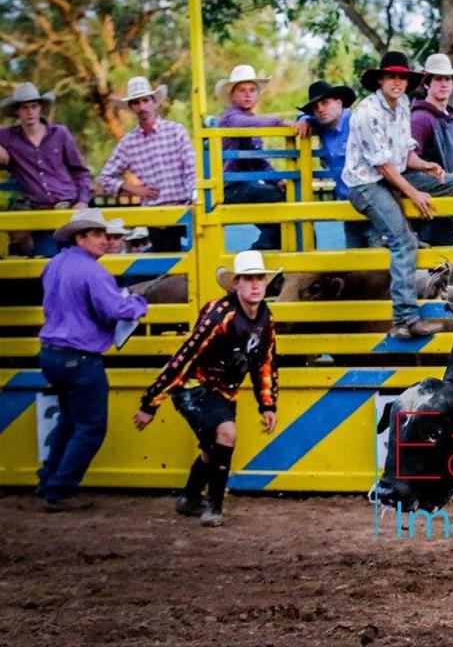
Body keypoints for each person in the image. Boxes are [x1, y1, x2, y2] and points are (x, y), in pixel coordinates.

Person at [133, 250, 280, 527]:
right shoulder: (219, 316)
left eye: (259, 278)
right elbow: (184, 357)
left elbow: (266, 362)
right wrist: (150, 402)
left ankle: (190, 498)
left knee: (214, 447)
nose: (255, 284)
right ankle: (214, 506)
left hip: (223, 391)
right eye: (248, 279)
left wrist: (268, 403)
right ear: (236, 283)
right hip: (194, 387)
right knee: (226, 433)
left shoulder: (265, 318)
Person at [36, 208, 148, 511]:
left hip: (51, 352)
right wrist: (137, 303)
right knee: (91, 427)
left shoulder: (55, 264)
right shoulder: (94, 272)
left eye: (105, 235)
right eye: (97, 234)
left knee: (69, 420)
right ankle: (58, 489)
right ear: (81, 237)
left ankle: (49, 481)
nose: (104, 241)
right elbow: (115, 311)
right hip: (80, 357)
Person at [342, 51, 444, 340]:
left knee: (447, 183)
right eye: (391, 76)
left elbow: (404, 154)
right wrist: (413, 193)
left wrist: (426, 166)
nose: (397, 82)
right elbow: (382, 165)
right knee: (402, 240)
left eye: (401, 77)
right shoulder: (367, 113)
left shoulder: (402, 106)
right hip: (367, 185)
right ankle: (405, 319)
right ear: (381, 80)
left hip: (391, 178)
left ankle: (435, 252)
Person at [97, 77, 195, 252]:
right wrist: (136, 190)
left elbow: (191, 169)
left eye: (145, 101)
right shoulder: (129, 143)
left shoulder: (176, 131)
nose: (142, 107)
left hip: (185, 209)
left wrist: (194, 198)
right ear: (132, 108)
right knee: (167, 267)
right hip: (156, 216)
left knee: (194, 264)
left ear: (154, 102)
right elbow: (105, 177)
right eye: (136, 103)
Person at [0, 82, 92, 256]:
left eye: (34, 106)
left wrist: (82, 201)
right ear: (17, 111)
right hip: (39, 213)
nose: (29, 112)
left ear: (40, 108)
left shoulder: (60, 133)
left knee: (78, 262)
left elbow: (80, 171)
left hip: (69, 207)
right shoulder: (9, 137)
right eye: (24, 107)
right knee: (48, 264)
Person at [293, 80, 374, 247]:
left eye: (325, 103)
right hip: (348, 204)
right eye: (315, 107)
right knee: (356, 262)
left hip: (373, 203)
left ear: (339, 102)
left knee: (380, 260)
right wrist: (303, 118)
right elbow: (306, 118)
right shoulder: (323, 124)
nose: (320, 109)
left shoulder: (358, 122)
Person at [215, 65, 285, 250]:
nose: (248, 95)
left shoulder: (250, 120)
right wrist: (281, 123)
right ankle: (255, 253)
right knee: (277, 201)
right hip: (231, 187)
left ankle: (263, 254)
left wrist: (277, 180)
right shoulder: (230, 118)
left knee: (280, 219)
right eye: (242, 90)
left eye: (252, 90)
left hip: (246, 185)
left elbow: (258, 161)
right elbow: (243, 124)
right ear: (232, 95)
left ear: (257, 95)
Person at [410, 53, 453, 245]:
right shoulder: (420, 118)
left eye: (447, 79)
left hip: (451, 196)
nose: (444, 83)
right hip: (430, 206)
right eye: (438, 78)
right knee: (444, 262)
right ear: (427, 83)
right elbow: (410, 164)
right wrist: (448, 185)